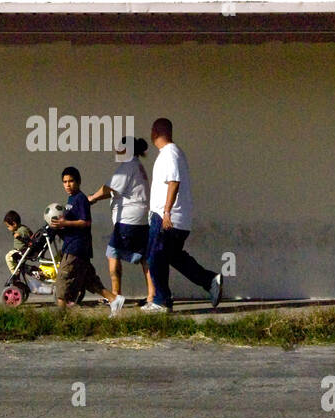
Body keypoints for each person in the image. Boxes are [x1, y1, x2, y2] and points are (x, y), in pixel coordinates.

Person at [143, 118, 223, 313]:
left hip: (166, 218)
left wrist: (166, 212)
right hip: (178, 219)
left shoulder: (169, 153)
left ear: (155, 132)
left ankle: (162, 301)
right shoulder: (173, 153)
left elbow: (174, 182)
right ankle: (209, 280)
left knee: (154, 258)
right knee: (174, 257)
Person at [49, 166, 125, 316]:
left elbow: (85, 222)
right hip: (75, 246)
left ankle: (60, 318)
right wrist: (60, 226)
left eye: (71, 181)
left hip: (76, 247)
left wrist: (65, 223)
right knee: (89, 280)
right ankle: (114, 299)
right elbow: (72, 222)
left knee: (62, 281)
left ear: (78, 182)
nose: (68, 185)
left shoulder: (81, 199)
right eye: (65, 182)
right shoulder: (71, 199)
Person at [88, 137, 154, 304]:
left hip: (128, 220)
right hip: (141, 219)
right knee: (144, 257)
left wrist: (92, 198)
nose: (116, 151)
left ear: (126, 150)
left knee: (112, 253)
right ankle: (152, 295)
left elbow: (109, 188)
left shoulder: (127, 167)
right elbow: (116, 191)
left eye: (119, 148)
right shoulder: (137, 166)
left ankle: (116, 295)